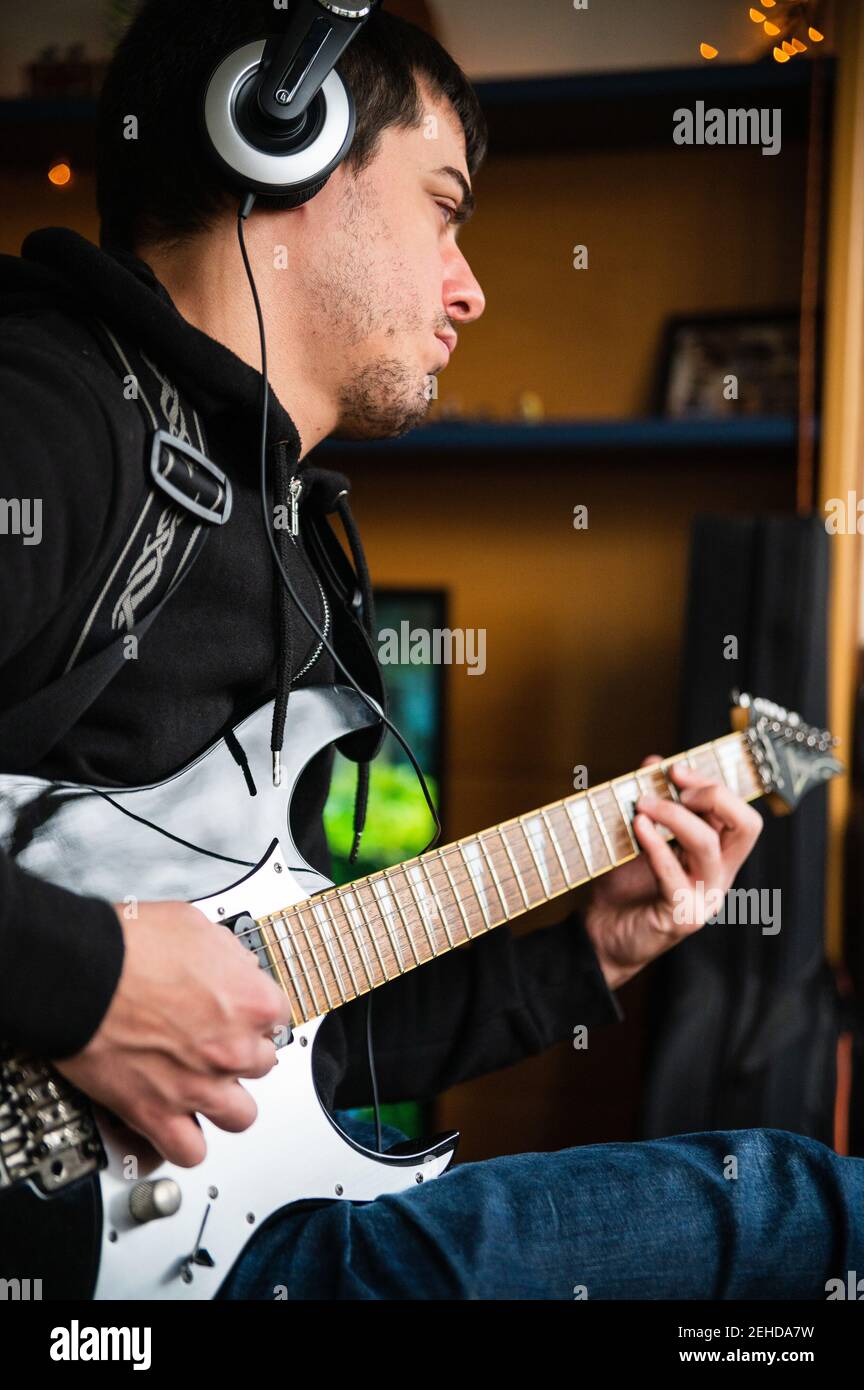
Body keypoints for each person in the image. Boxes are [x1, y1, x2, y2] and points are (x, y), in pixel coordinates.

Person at [0, 2, 860, 1300]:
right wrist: (88, 980)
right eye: (445, 206)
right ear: (285, 146)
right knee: (813, 1211)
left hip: (198, 1248)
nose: (472, 285)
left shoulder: (289, 551)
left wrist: (588, 953)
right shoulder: (51, 413)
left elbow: (297, 1062)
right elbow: (112, 997)